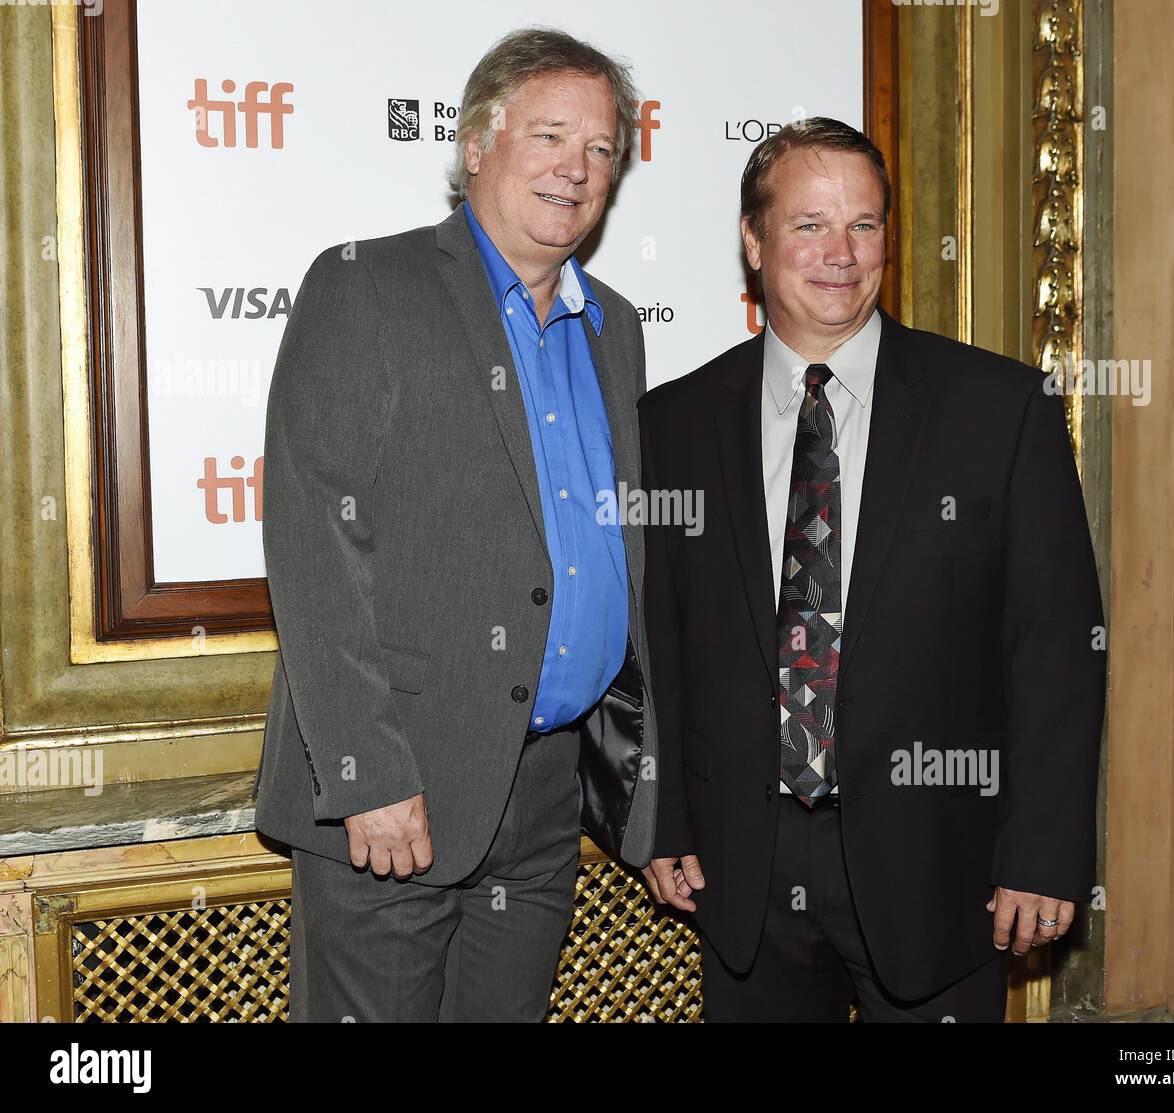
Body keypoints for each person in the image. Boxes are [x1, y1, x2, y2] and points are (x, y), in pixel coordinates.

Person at [638, 118, 1107, 1022]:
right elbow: (659, 642)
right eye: (810, 224)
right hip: (744, 868)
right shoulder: (677, 423)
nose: (842, 254)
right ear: (754, 240)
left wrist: (1042, 853)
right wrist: (659, 817)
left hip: (943, 864)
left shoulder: (999, 410)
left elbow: (1056, 647)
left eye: (865, 224)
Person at [255, 27, 657, 1022]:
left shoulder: (616, 325)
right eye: (550, 134)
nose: (576, 167)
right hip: (400, 793)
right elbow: (313, 543)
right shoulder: (367, 288)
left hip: (545, 794)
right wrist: (365, 775)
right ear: (476, 143)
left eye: (601, 148)